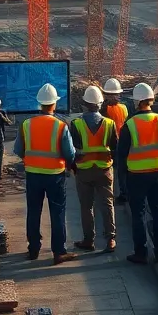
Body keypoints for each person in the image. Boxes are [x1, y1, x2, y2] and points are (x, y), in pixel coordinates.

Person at [13, 82, 76, 264]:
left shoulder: (27, 125)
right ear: (54, 104)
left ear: (39, 104)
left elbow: (18, 149)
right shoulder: (60, 126)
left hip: (33, 175)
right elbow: (70, 154)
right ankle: (59, 252)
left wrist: (31, 159)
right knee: (57, 213)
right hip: (55, 175)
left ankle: (33, 249)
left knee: (33, 212)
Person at [118, 82, 158, 264]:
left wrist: (122, 182)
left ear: (137, 102)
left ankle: (141, 253)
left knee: (138, 214)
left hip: (137, 175)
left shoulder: (129, 125)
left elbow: (122, 155)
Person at [70, 85, 117, 252]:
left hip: (84, 171)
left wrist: (73, 168)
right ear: (101, 103)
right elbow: (115, 148)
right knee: (107, 204)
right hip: (105, 169)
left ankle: (89, 240)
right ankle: (111, 240)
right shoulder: (110, 124)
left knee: (86, 206)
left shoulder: (76, 124)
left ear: (84, 103)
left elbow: (71, 150)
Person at [101, 78, 129, 203]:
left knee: (112, 171)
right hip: (122, 141)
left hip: (110, 143)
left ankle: (111, 193)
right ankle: (124, 192)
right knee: (122, 171)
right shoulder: (124, 108)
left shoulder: (105, 110)